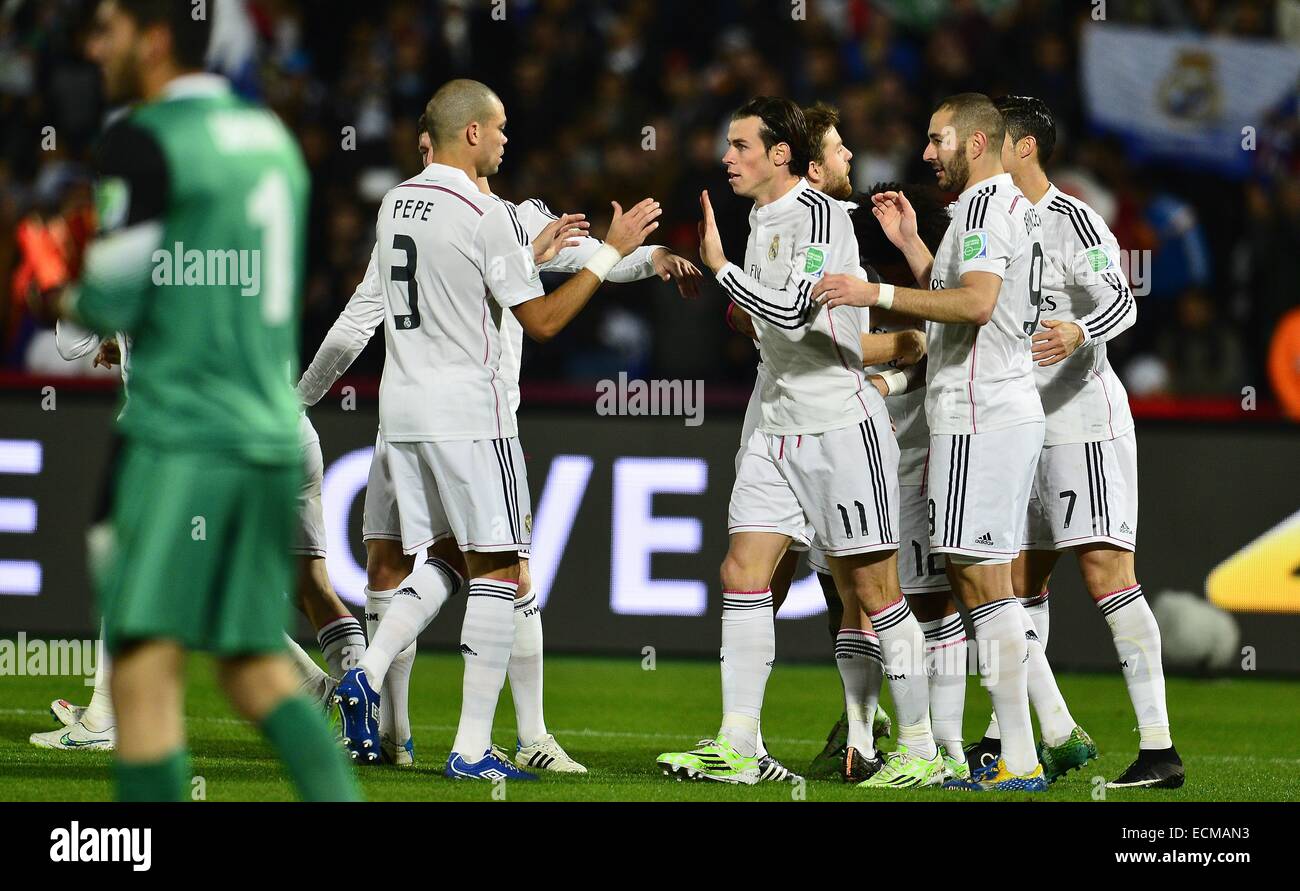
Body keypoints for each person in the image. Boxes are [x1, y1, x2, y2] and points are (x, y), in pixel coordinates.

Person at [298, 116, 700, 771]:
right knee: (505, 570)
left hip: (399, 418)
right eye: (501, 130)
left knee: (414, 563)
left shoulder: (401, 212)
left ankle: (390, 728)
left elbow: (352, 324)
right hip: (473, 418)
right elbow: (547, 307)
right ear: (474, 136)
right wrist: (585, 252)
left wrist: (649, 258)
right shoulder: (500, 219)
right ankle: (485, 737)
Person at [29, 0, 357, 801]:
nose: (95, 45)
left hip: (183, 436)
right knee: (250, 669)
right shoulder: (272, 143)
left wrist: (49, 276)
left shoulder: (142, 140)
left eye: (108, 27)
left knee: (142, 672)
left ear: (156, 37)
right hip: (270, 429)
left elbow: (106, 302)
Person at [658, 97, 938, 788]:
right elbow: (768, 325)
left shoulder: (818, 213)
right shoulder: (762, 217)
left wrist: (722, 267)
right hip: (775, 425)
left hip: (840, 427)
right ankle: (739, 744)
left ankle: (922, 747)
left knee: (874, 589)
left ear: (780, 155)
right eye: (727, 144)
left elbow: (790, 312)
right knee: (742, 572)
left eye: (740, 145)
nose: (728, 157)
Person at [814, 93, 1048, 792]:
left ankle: (1021, 757)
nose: (925, 153)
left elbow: (975, 305)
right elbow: (970, 305)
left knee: (981, 582)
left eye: (936, 139)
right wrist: (917, 251)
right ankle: (1015, 752)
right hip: (995, 407)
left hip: (981, 411)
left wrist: (873, 294)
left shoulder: (980, 209)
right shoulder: (1004, 210)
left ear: (975, 143)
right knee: (979, 580)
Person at [995, 95, 1181, 789]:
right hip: (1017, 423)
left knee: (1106, 570)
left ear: (1025, 148)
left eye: (993, 138)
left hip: (1079, 418)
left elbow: (1122, 299)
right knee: (1017, 579)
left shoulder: (1071, 218)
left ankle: (1159, 748)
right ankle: (1026, 732)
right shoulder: (988, 220)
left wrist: (1079, 331)